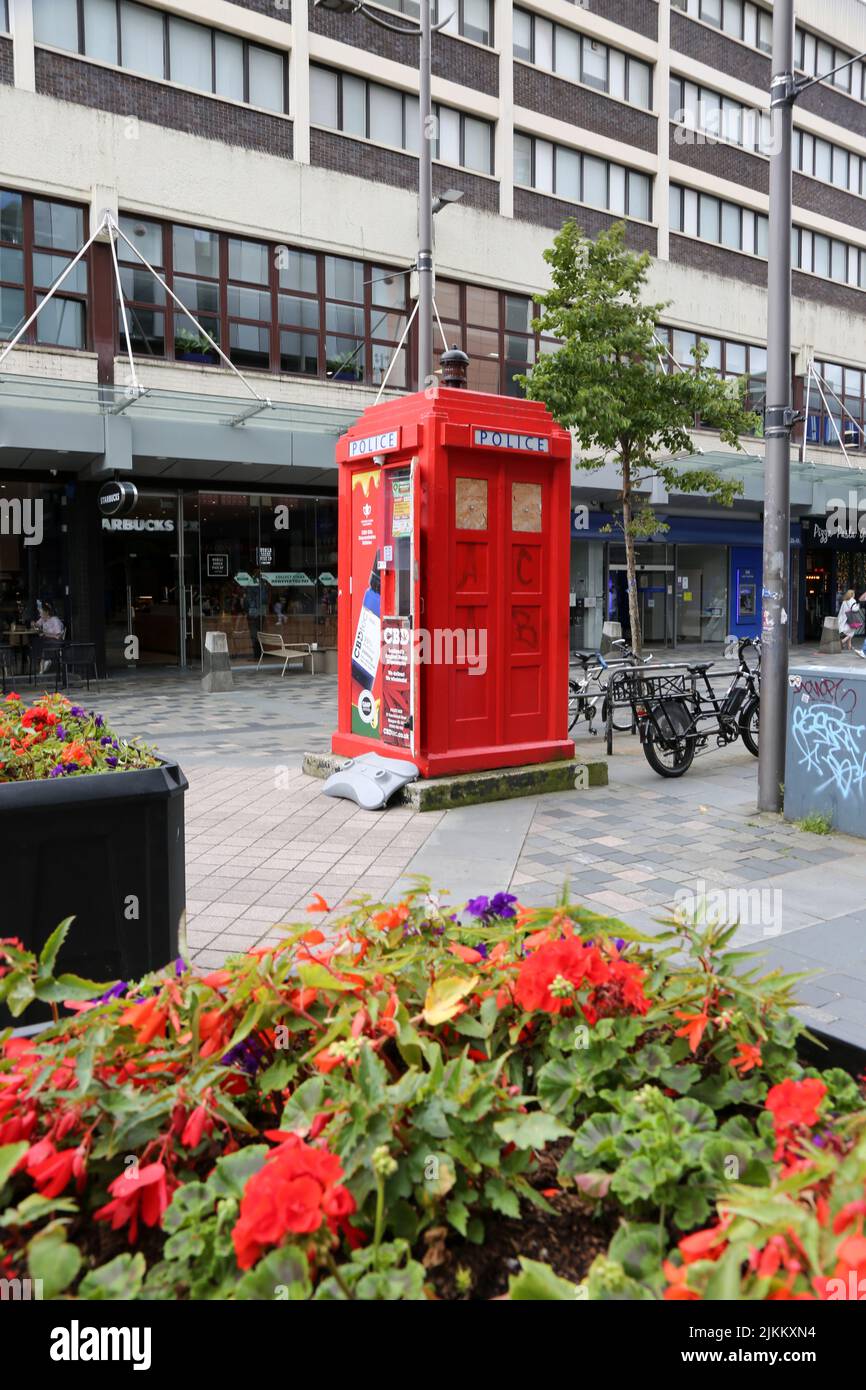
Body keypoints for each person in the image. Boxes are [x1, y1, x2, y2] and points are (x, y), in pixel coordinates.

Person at [35, 601, 65, 674]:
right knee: (38, 642)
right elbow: (36, 625)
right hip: (47, 641)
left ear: (47, 612)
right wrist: (34, 624)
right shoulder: (43, 619)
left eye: (41, 612)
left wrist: (45, 634)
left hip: (56, 642)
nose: (40, 614)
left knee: (41, 643)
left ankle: (46, 661)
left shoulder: (55, 620)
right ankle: (44, 662)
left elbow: (58, 636)